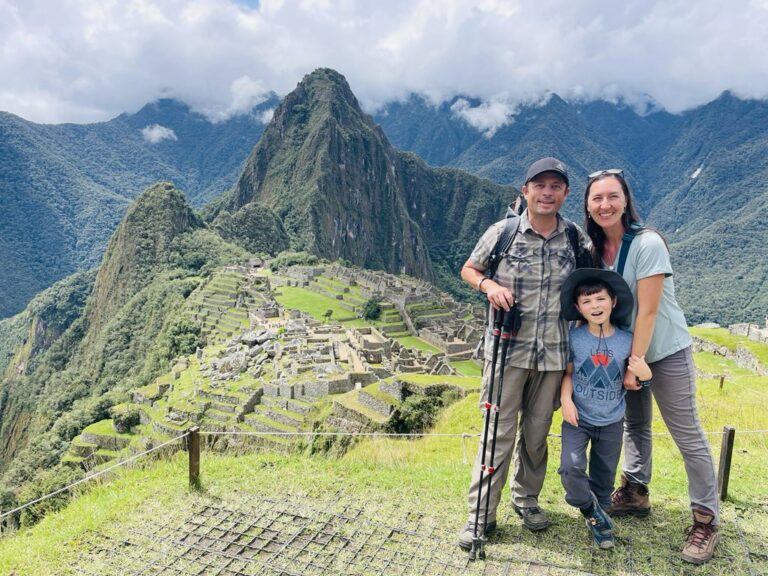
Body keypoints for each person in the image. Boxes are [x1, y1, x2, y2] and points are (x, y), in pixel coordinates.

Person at [584, 169, 719, 564]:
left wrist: (633, 366)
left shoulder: (647, 243)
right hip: (626, 353)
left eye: (612, 197)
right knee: (635, 425)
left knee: (686, 432)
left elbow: (648, 311)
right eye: (597, 199)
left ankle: (706, 519)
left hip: (663, 351)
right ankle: (636, 491)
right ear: (588, 207)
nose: (605, 205)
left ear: (626, 200)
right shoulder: (595, 250)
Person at [457, 157, 590, 550]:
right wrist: (489, 287)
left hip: (552, 355)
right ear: (525, 190)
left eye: (555, 186)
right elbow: (469, 268)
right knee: (496, 434)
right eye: (540, 185)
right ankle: (481, 515)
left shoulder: (575, 239)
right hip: (506, 353)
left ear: (566, 193)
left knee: (535, 436)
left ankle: (526, 499)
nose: (547, 193)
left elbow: (588, 289)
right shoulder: (504, 233)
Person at [558, 268, 651, 549]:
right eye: (586, 302)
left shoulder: (627, 341)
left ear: (613, 301)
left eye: (600, 299)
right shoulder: (574, 339)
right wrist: (565, 400)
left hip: (612, 421)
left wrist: (645, 374)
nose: (594, 306)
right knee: (570, 468)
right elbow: (569, 373)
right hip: (579, 418)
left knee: (603, 480)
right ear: (578, 308)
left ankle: (598, 520)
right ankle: (589, 509)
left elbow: (637, 381)